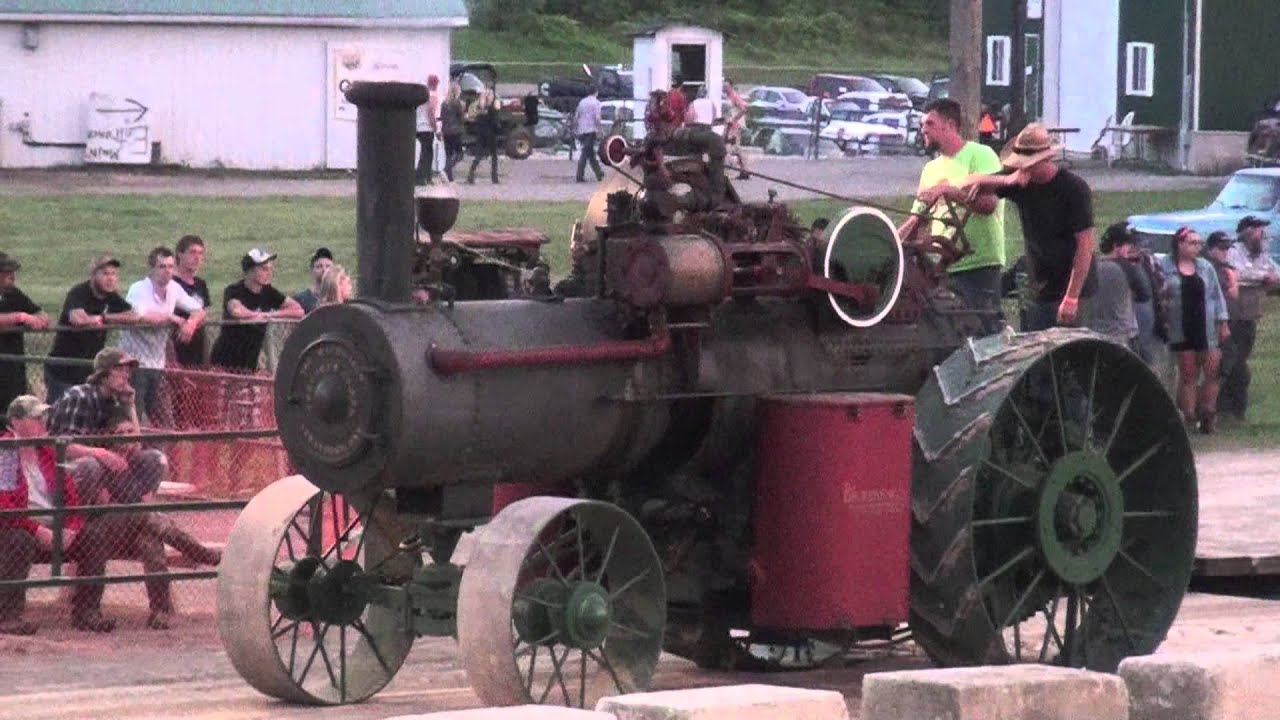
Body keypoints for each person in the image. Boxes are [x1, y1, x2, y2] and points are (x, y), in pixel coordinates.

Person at [0, 395, 171, 633]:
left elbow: (71, 496)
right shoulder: (6, 453)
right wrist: (38, 530)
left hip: (54, 524)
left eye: (43, 417)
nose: (43, 422)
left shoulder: (48, 451)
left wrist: (70, 527)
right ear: (16, 422)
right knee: (19, 539)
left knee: (93, 537)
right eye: (36, 418)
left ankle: (87, 612)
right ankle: (8, 616)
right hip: (18, 526)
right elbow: (5, 506)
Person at [963, 123, 1096, 331]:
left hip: (1071, 285)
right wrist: (1006, 180)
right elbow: (967, 183)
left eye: (1030, 163)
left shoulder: (1074, 189)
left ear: (1046, 158)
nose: (1025, 167)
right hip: (1038, 283)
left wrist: (1072, 296)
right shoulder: (1019, 181)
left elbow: (1085, 245)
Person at [898, 99, 1006, 334]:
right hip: (942, 270)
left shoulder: (981, 155)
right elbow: (917, 219)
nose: (923, 129)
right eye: (922, 124)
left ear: (949, 125)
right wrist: (890, 241)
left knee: (985, 336)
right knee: (947, 338)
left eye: (929, 123)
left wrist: (948, 191)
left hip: (979, 266)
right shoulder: (931, 169)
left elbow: (989, 205)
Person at [118, 246, 206, 428]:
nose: (167, 272)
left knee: (165, 423)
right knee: (135, 420)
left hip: (158, 364)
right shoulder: (139, 289)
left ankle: (159, 456)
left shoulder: (174, 288)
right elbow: (142, 317)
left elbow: (199, 310)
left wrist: (190, 324)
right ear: (151, 268)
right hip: (135, 364)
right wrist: (170, 317)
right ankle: (136, 455)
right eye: (162, 267)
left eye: (170, 267)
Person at [1159, 227, 1230, 433]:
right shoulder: (1165, 266)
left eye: (1199, 243)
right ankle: (1188, 416)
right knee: (1188, 373)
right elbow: (1160, 293)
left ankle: (1208, 413)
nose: (1196, 247)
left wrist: (1223, 322)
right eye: (1191, 243)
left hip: (1206, 326)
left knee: (1212, 371)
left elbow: (1217, 296)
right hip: (1180, 326)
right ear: (1179, 244)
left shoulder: (1205, 267)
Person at [45, 254, 139, 403]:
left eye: (114, 274)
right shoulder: (79, 292)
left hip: (88, 368)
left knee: (87, 412)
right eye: (105, 273)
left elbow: (133, 316)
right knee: (60, 411)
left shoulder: (111, 297)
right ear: (94, 275)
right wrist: (91, 319)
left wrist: (105, 318)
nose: (110, 278)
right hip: (64, 367)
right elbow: (77, 319)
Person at [1220, 215, 1280, 421]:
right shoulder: (1233, 252)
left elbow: (1275, 273)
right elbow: (1238, 273)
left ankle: (1234, 410)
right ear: (1245, 232)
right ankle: (1226, 407)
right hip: (1231, 316)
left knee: (1241, 359)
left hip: (1249, 317)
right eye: (1258, 230)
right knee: (1233, 363)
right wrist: (1262, 277)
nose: (1262, 234)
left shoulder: (1261, 254)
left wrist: (1264, 276)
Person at [210, 249, 303, 372]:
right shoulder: (234, 290)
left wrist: (271, 314)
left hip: (250, 361)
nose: (269, 273)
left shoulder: (268, 292)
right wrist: (257, 315)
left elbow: (298, 310)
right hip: (225, 360)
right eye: (264, 269)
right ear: (250, 270)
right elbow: (237, 310)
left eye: (270, 269)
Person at [1086, 222, 1151, 350]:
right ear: (1116, 246)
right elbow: (1145, 295)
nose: (1132, 249)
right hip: (1123, 335)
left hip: (1092, 332)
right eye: (1129, 245)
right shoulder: (1126, 267)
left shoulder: (1090, 266)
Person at [0, 254, 50, 414]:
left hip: (13, 368)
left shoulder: (13, 294)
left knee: (14, 413)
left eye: (13, 271)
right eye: (6, 272)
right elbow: (24, 316)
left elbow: (41, 314)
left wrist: (39, 320)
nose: (12, 276)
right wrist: (20, 317)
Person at [171, 235, 211, 368]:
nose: (197, 258)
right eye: (192, 252)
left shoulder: (201, 284)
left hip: (198, 346)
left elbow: (204, 313)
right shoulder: (170, 283)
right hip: (175, 344)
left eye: (200, 253)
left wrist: (193, 322)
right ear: (180, 254)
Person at [467, 89, 501, 185]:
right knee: (494, 156)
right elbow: (495, 123)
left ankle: (471, 173)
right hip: (491, 134)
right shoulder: (492, 109)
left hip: (481, 134)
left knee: (479, 155)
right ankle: (494, 177)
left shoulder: (479, 109)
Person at [572, 85, 604, 183]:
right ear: (596, 92)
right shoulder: (596, 103)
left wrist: (574, 128)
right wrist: (600, 130)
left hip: (581, 130)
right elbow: (597, 118)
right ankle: (579, 175)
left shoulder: (582, 102)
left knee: (590, 153)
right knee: (585, 153)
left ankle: (599, 173)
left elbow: (576, 116)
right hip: (591, 130)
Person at [292, 247, 334, 315]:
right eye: (319, 266)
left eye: (328, 266)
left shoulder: (339, 298)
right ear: (312, 271)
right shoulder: (300, 299)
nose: (324, 270)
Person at [415, 74, 441, 185]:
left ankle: (423, 177)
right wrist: (436, 128)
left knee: (424, 152)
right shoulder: (433, 96)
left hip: (418, 127)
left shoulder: (421, 96)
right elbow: (431, 113)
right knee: (428, 154)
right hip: (427, 127)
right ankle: (424, 177)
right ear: (436, 84)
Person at [723, 79, 751, 180]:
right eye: (724, 86)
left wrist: (734, 119)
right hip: (728, 125)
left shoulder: (734, 96)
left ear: (731, 86)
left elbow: (743, 109)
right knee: (736, 148)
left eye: (726, 86)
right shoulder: (727, 97)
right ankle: (745, 170)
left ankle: (726, 171)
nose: (724, 88)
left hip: (734, 126)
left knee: (730, 146)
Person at [440, 81, 466, 182]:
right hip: (455, 131)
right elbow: (461, 117)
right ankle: (446, 170)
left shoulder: (444, 103)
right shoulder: (457, 103)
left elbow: (442, 117)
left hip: (446, 131)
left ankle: (449, 177)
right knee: (459, 154)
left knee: (448, 154)